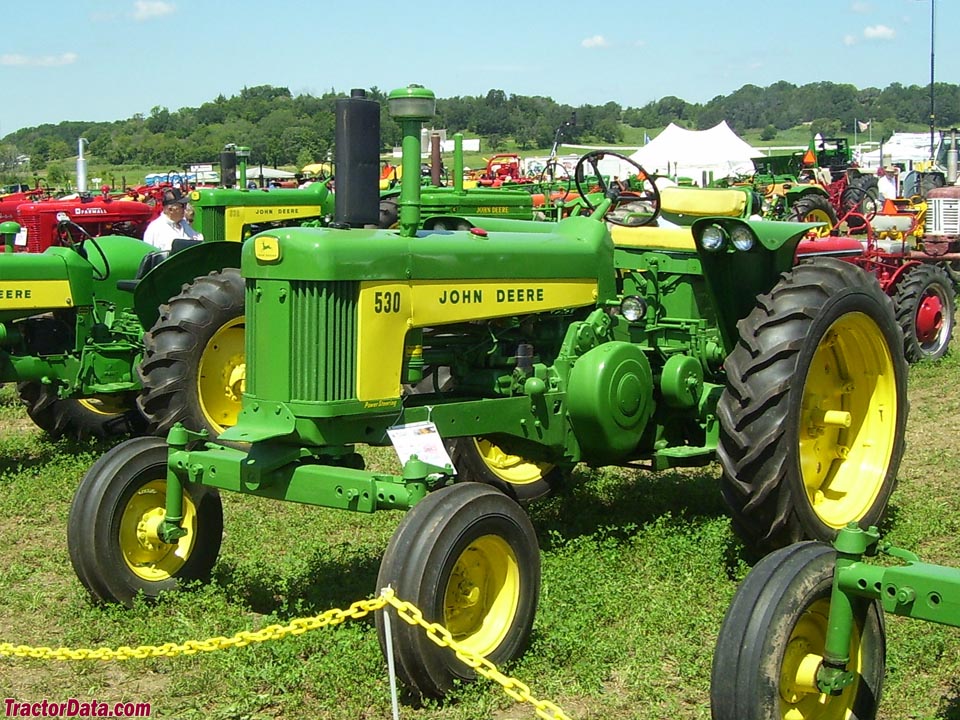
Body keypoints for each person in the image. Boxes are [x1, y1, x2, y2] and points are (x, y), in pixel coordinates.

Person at [143, 188, 199, 252]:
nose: (185, 209)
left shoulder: (184, 224)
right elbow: (149, 255)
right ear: (170, 209)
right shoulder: (155, 229)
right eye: (182, 206)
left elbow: (197, 239)